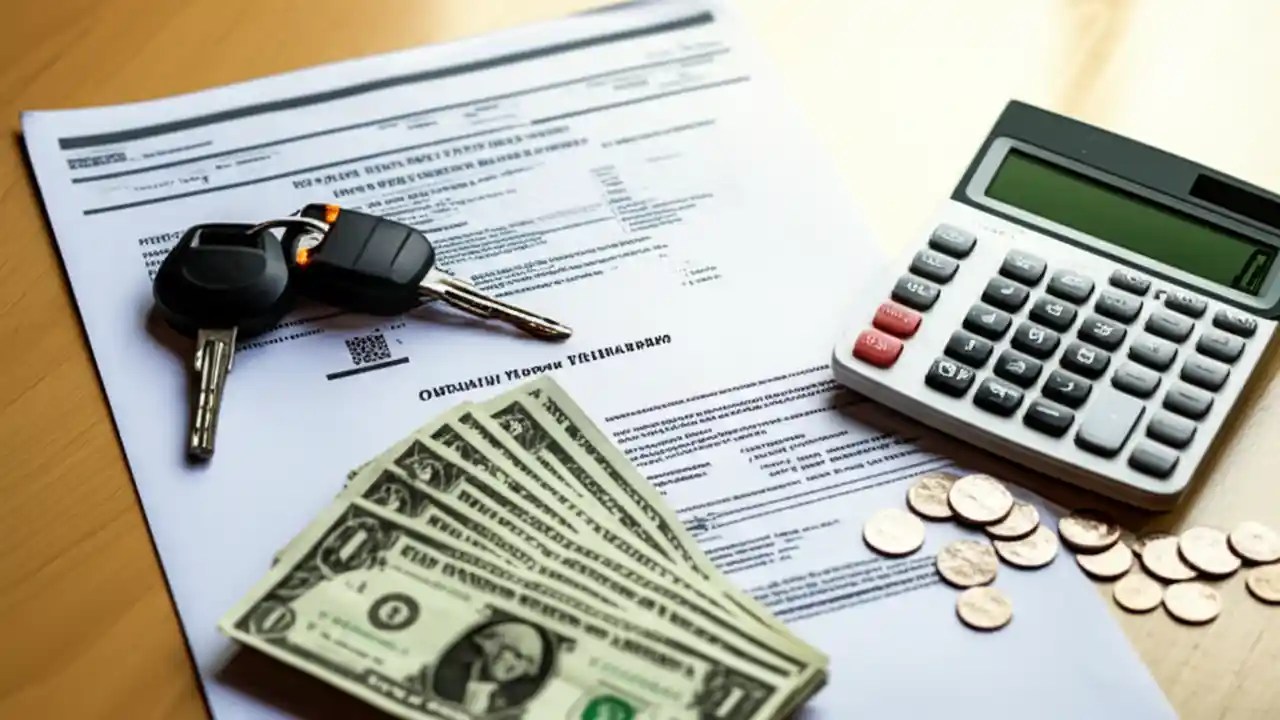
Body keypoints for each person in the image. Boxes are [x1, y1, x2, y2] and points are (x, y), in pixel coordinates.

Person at [433, 620, 550, 714]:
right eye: (516, 654)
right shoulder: (446, 674)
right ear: (491, 645)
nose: (518, 667)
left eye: (529, 662)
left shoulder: (510, 707)